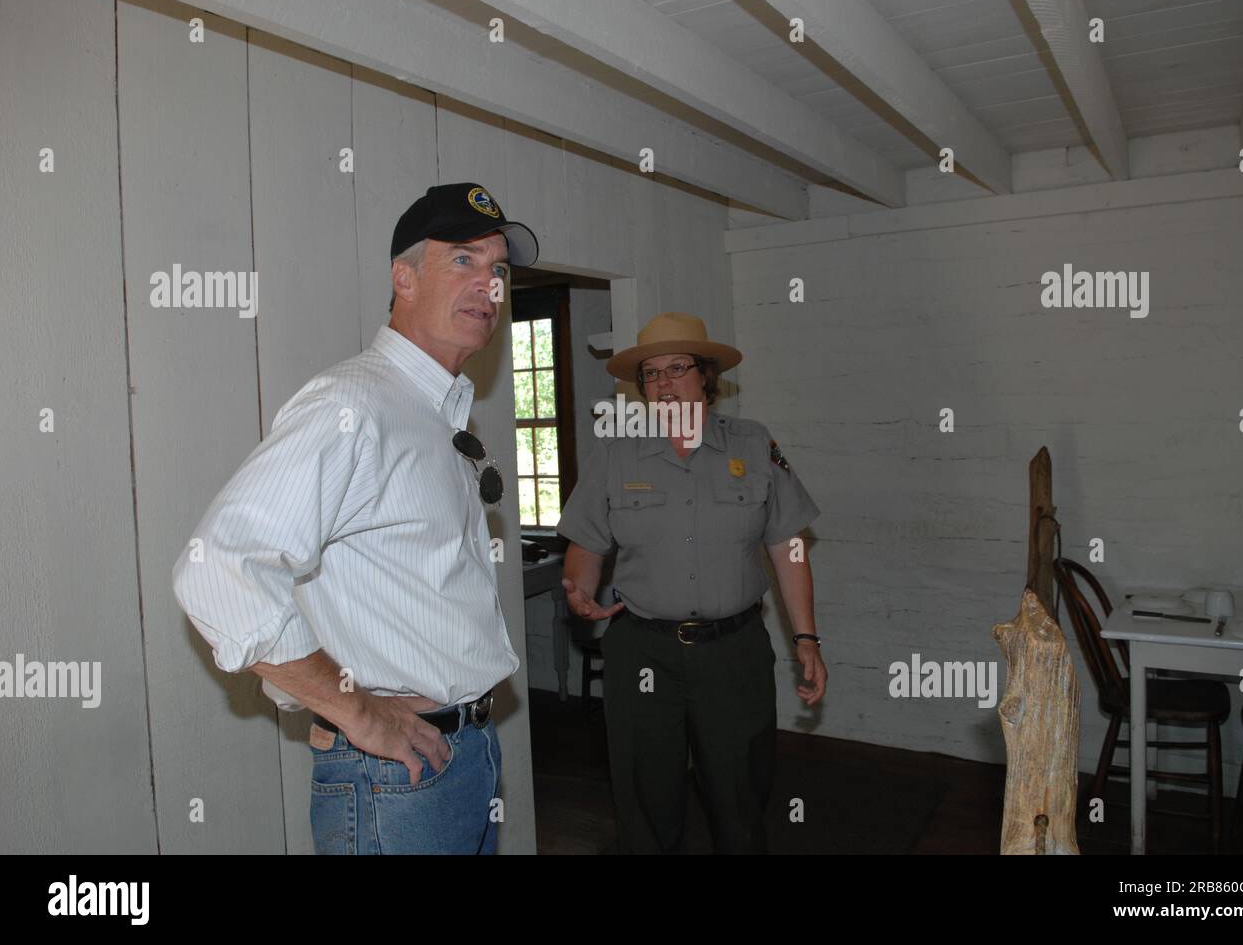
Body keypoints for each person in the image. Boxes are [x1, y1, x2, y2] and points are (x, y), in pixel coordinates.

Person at [172, 182, 537, 854]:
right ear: (403, 276)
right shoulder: (355, 405)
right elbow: (218, 570)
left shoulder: (436, 411)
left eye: (500, 270)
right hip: (394, 777)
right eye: (463, 260)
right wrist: (358, 710)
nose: (489, 285)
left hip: (462, 756)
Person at [557, 312, 827, 854]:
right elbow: (587, 544)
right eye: (651, 374)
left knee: (739, 796)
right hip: (642, 651)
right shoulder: (615, 453)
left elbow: (787, 546)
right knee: (644, 798)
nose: (663, 383)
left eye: (677, 368)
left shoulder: (753, 446)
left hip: (734, 652)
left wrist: (806, 638)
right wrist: (578, 587)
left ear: (706, 376)